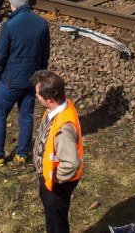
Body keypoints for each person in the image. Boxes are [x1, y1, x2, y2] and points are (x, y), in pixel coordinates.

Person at [0, 0, 50, 167]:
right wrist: (39, 75)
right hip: (32, 79)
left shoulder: (9, 25)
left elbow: (0, 55)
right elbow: (45, 54)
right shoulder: (41, 24)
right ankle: (21, 154)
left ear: (13, 5)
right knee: (26, 116)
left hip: (11, 80)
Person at [32, 70, 82, 233]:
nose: (36, 96)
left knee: (56, 225)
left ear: (49, 99)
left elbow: (71, 163)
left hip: (57, 184)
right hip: (51, 178)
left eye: (37, 94)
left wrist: (54, 179)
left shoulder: (64, 129)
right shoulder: (60, 107)